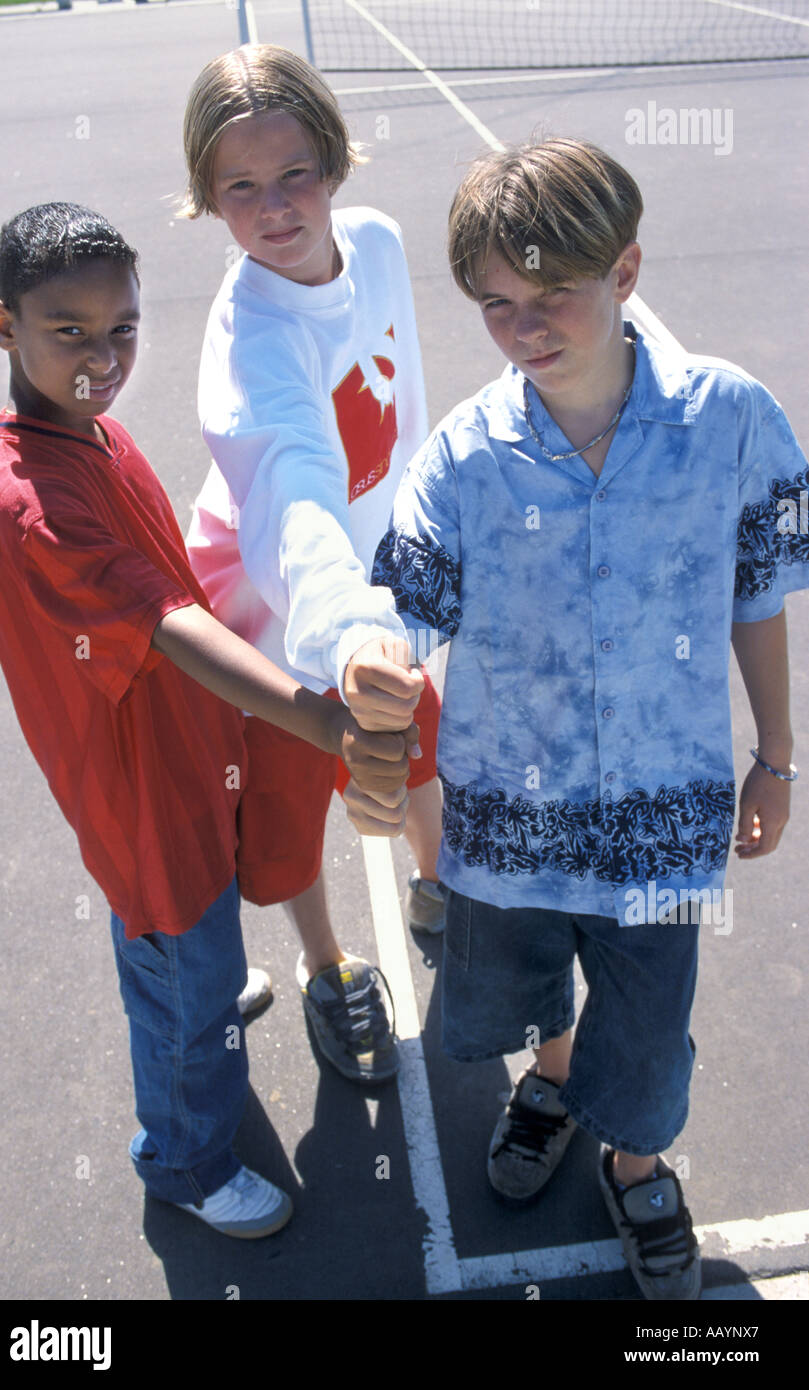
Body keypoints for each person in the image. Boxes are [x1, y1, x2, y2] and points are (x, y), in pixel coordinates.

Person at [360, 138, 808, 1299]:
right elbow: (402, 603)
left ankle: (640, 1161)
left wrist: (778, 757)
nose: (525, 327)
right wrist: (370, 656)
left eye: (553, 290)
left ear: (627, 266)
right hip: (511, 816)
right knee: (527, 989)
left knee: (653, 1018)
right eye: (496, 305)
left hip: (669, 814)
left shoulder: (730, 420)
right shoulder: (463, 454)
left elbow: (758, 599)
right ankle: (552, 1080)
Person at [0, 202, 416, 1239]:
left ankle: (191, 1007)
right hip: (140, 798)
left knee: (183, 954)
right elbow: (167, 621)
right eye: (67, 330)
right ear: (5, 326)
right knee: (185, 967)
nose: (101, 354)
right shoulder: (30, 501)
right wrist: (320, 718)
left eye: (121, 327)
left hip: (180, 763)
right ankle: (185, 1159)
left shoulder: (92, 431)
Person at [181, 44, 444, 1086]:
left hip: (380, 577)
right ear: (207, 196)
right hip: (275, 608)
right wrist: (347, 631)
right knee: (292, 808)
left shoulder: (374, 243)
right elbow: (293, 499)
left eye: (293, 173)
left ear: (335, 163)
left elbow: (402, 409)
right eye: (238, 186)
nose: (273, 206)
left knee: (421, 751)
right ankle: (328, 965)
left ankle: (438, 891)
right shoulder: (248, 341)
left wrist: (413, 563)